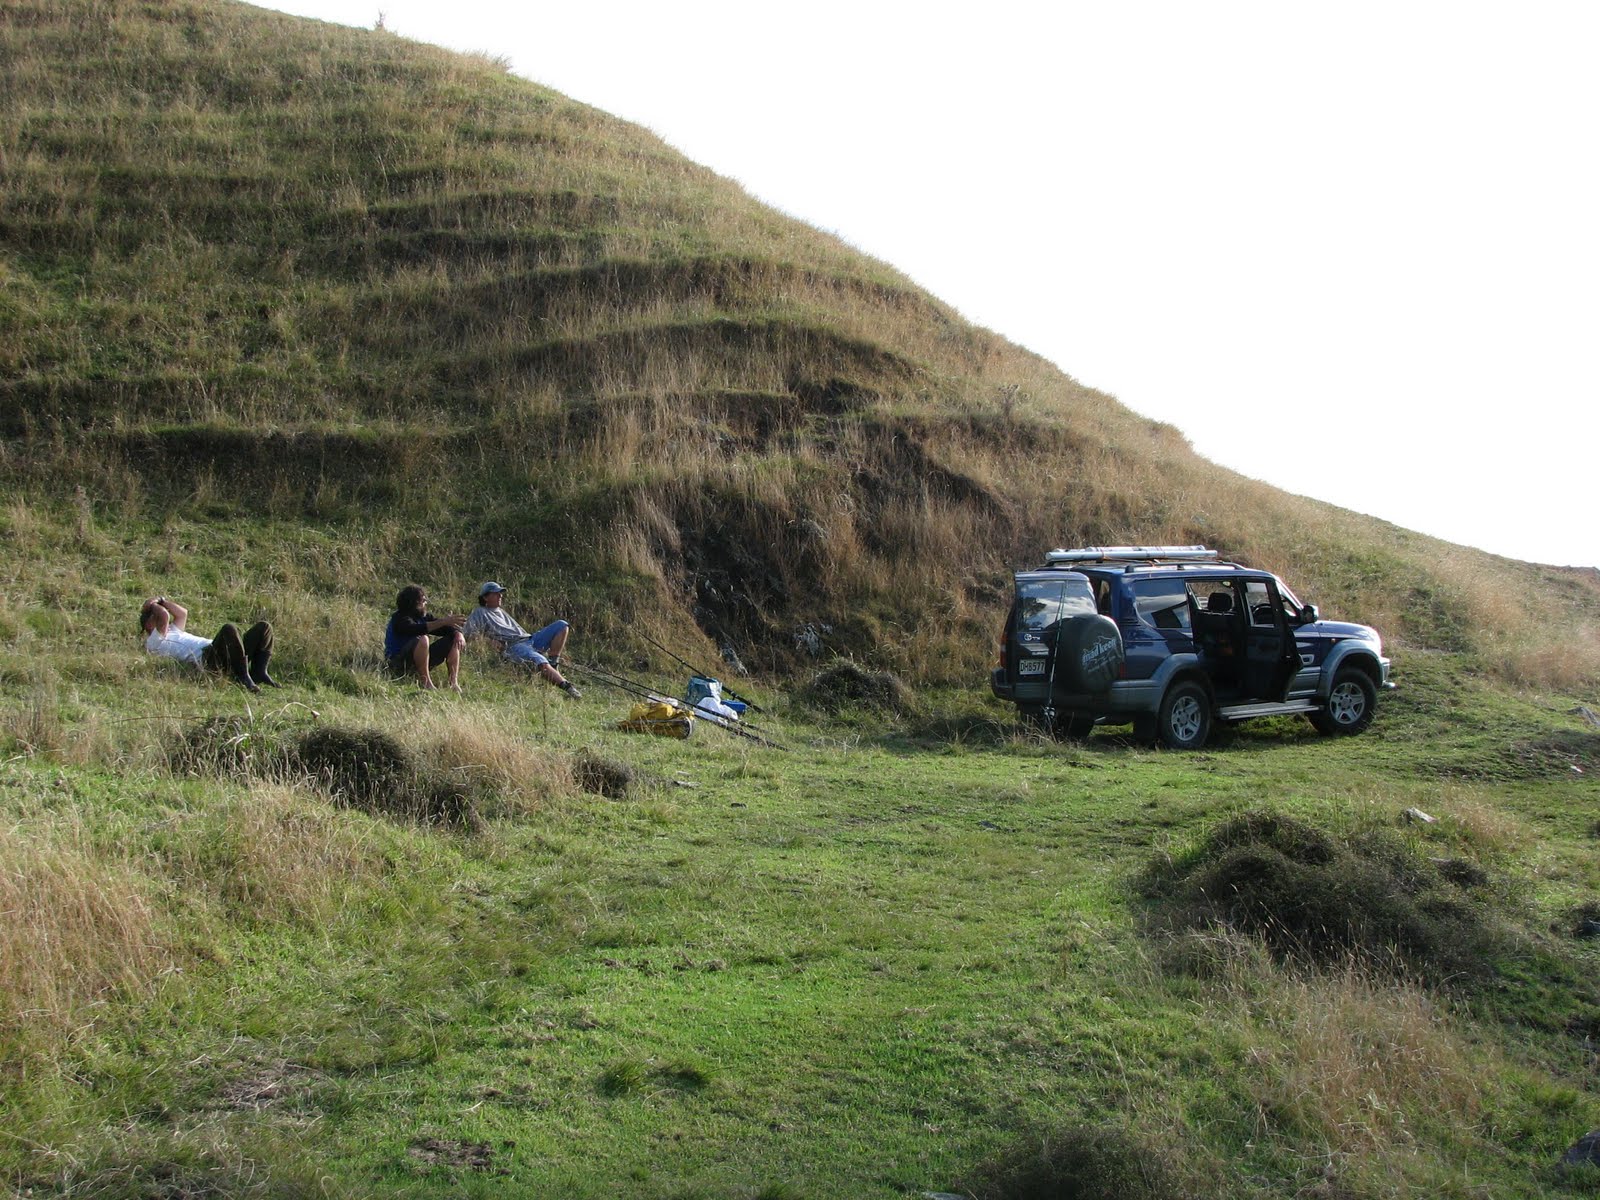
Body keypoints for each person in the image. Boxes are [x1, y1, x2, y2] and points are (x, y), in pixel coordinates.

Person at [462, 581, 581, 698]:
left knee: (562, 625)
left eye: (500, 593)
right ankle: (568, 687)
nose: (500, 596)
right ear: (485, 597)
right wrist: (488, 641)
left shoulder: (500, 611)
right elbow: (468, 633)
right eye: (496, 593)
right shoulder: (480, 612)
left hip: (529, 639)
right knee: (539, 660)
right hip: (514, 645)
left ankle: (553, 664)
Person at [139, 596, 277, 692]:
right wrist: (153, 605)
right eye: (154, 617)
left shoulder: (174, 630)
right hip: (209, 659)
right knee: (229, 629)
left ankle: (258, 672)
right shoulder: (153, 642)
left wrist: (161, 600)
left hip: (223, 652)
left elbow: (182, 613)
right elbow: (164, 615)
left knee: (264, 628)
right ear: (149, 624)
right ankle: (242, 676)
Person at [384, 585, 465, 691]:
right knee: (423, 639)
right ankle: (426, 683)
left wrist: (457, 633)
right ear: (414, 602)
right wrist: (443, 621)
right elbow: (415, 629)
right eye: (423, 600)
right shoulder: (399, 618)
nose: (425, 602)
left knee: (453, 640)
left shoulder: (423, 616)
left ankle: (453, 683)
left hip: (418, 662)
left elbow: (444, 629)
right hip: (398, 663)